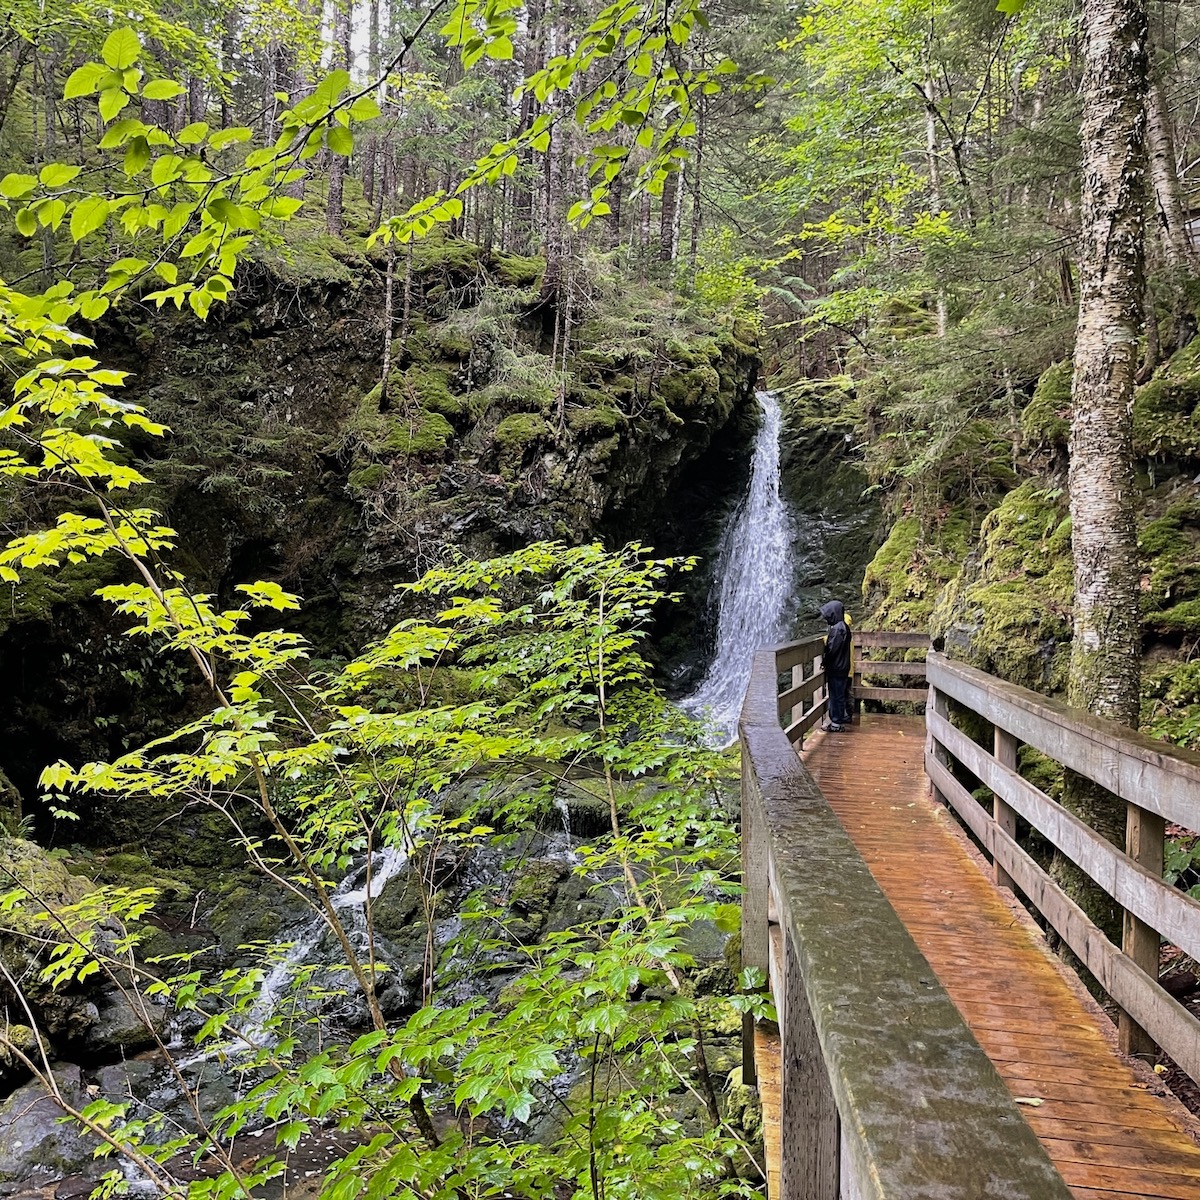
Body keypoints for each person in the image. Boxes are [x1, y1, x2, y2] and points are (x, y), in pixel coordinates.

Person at [820, 600, 853, 731]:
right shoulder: (843, 627)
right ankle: (836, 722)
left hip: (837, 668)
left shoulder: (838, 629)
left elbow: (832, 649)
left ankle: (836, 723)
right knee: (837, 695)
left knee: (836, 695)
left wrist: (825, 661)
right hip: (842, 667)